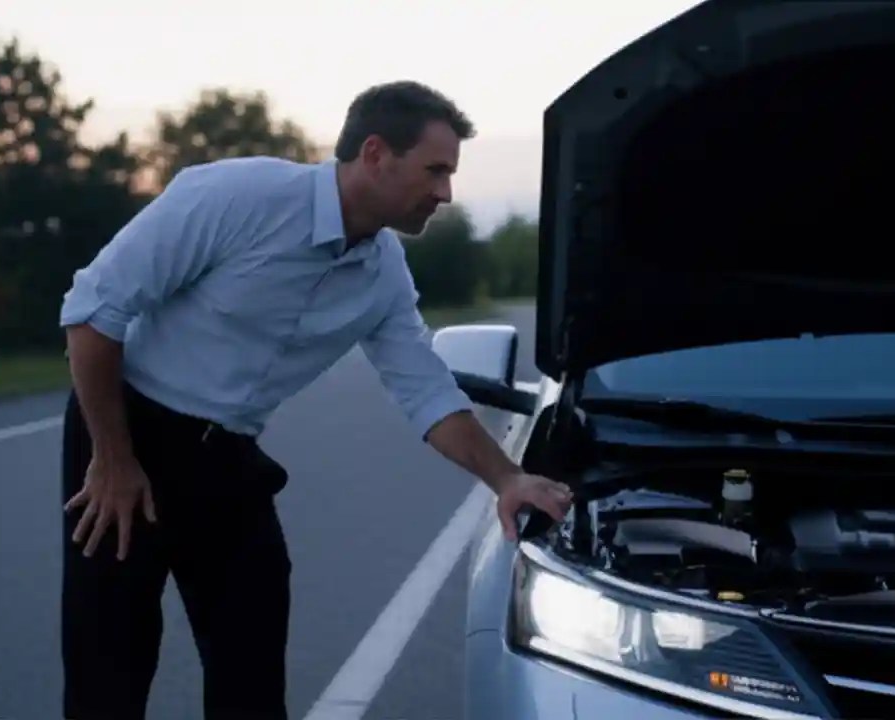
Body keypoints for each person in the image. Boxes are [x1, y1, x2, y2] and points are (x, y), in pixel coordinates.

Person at [56, 79, 574, 720]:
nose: (445, 193)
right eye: (435, 170)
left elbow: (426, 389)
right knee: (109, 671)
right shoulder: (233, 196)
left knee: (251, 670)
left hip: (227, 459)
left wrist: (508, 479)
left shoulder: (383, 272)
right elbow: (91, 313)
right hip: (126, 434)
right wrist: (112, 458)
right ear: (377, 153)